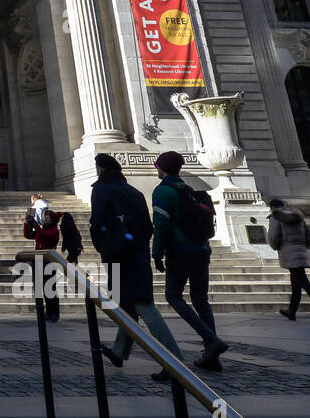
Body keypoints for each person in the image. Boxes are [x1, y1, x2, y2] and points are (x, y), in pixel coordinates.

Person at [89, 154, 183, 381]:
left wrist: (103, 247)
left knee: (143, 305)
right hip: (138, 252)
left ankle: (174, 361)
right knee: (127, 304)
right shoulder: (135, 192)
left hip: (118, 255)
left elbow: (98, 222)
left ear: (100, 170)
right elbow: (148, 227)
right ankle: (120, 351)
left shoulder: (101, 190)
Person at [152, 151, 229, 371]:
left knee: (173, 295)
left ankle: (211, 341)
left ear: (163, 168)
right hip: (202, 249)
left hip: (180, 251)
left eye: (158, 165)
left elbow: (162, 225)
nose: (156, 168)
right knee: (200, 299)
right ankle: (211, 354)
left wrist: (157, 253)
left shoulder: (164, 191)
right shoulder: (189, 190)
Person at [267, 199, 310, 324]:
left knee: (304, 283)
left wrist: (279, 247)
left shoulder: (275, 218)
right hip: (300, 253)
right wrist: (300, 247)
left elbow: (273, 238)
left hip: (288, 254)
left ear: (272, 208)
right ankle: (292, 310)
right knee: (296, 283)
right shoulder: (298, 217)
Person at [25, 209, 62, 322]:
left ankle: (54, 312)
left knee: (50, 288)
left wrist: (35, 224)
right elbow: (28, 235)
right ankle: (47, 312)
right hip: (38, 260)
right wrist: (27, 223)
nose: (46, 218)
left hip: (49, 261)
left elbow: (45, 236)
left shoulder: (54, 230)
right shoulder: (42, 229)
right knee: (40, 287)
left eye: (48, 217)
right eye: (45, 216)